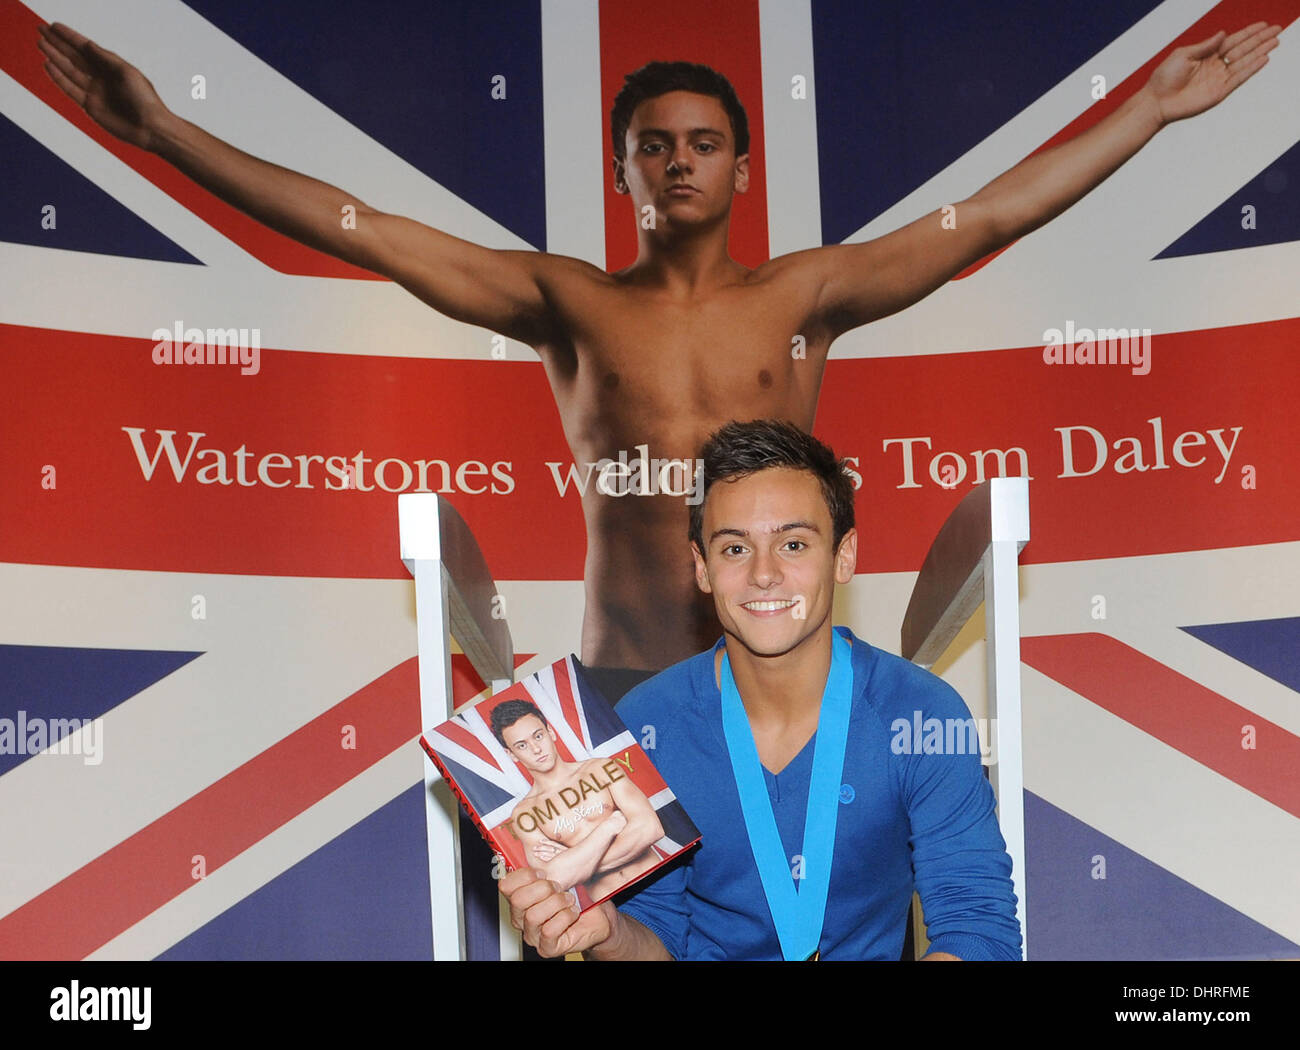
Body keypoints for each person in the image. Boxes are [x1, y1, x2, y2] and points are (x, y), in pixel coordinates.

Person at [37, 22, 1281, 687]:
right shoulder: (563, 300)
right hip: (621, 682)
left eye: (700, 141)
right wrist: (166, 136)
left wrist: (1151, 109)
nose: (677, 159)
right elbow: (365, 231)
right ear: (624, 167)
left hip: (776, 687)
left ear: (740, 166)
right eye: (651, 144)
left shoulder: (813, 291)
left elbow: (995, 214)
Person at [500, 419, 1021, 960]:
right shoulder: (647, 724)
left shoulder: (920, 714)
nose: (764, 574)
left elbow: (977, 928)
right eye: (734, 549)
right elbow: (655, 939)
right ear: (701, 568)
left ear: (843, 556)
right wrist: (609, 934)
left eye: (793, 544)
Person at [491, 698, 664, 902]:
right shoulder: (525, 814)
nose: (536, 749)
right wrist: (611, 825)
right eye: (522, 745)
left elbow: (651, 828)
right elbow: (555, 880)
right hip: (616, 908)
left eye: (538, 736)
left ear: (551, 732)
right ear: (512, 755)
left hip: (662, 880)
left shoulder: (600, 769)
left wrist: (576, 860)